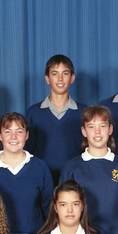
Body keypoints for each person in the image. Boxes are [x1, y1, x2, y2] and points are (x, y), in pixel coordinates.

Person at [59, 105, 118, 234]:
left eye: (102, 126)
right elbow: (61, 206)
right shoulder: (71, 168)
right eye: (91, 126)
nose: (97, 132)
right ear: (84, 131)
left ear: (110, 129)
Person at [26, 54, 88, 182]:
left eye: (65, 73)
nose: (60, 79)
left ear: (72, 78)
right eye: (55, 74)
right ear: (47, 78)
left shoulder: (84, 111)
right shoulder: (34, 112)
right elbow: (27, 151)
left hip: (76, 178)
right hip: (41, 178)